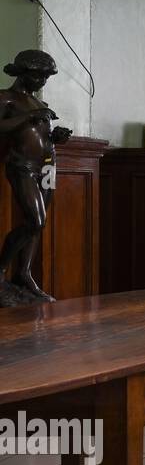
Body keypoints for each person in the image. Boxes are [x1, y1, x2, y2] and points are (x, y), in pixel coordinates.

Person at [0, 50, 72, 301]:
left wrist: (57, 136)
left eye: (45, 78)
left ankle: (24, 273)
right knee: (35, 221)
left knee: (38, 226)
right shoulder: (7, 98)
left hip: (49, 166)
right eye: (38, 76)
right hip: (23, 166)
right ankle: (1, 270)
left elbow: (42, 136)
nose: (42, 82)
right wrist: (30, 116)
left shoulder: (41, 104)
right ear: (22, 72)